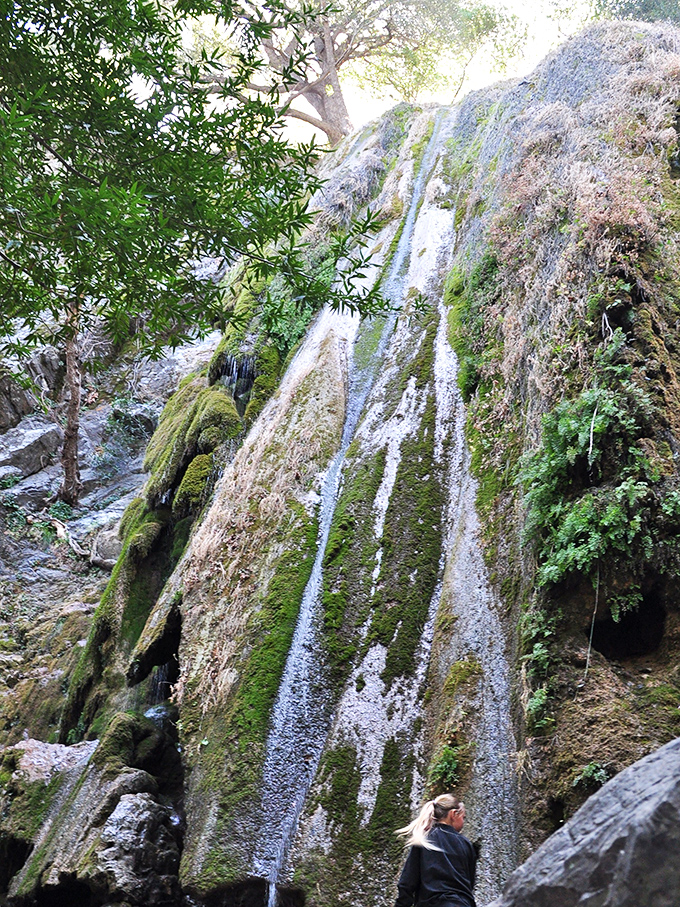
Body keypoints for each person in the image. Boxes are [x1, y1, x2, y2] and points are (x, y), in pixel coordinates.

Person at [393, 793, 477, 907]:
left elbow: (407, 882)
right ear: (453, 814)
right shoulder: (466, 844)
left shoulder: (424, 840)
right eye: (463, 817)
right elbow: (469, 884)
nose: (463, 822)